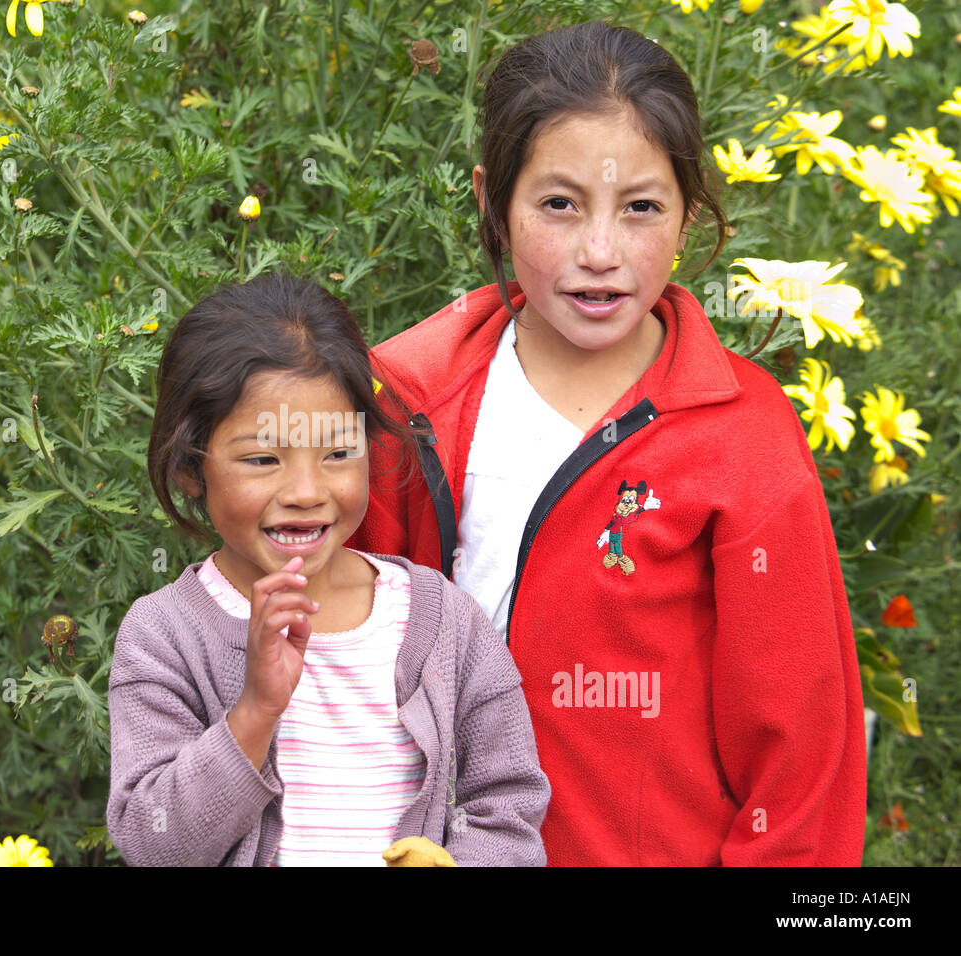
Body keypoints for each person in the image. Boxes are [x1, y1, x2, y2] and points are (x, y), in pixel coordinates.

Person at [349, 21, 866, 866]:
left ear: (690, 213)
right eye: (559, 203)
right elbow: (337, 664)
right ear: (491, 201)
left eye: (641, 209)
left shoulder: (744, 434)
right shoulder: (407, 399)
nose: (600, 253)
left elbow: (803, 757)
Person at [106, 274, 550, 866]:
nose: (307, 492)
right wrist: (255, 711)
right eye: (264, 459)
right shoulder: (162, 636)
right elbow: (152, 842)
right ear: (190, 469)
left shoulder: (441, 620)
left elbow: (509, 803)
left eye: (338, 453)